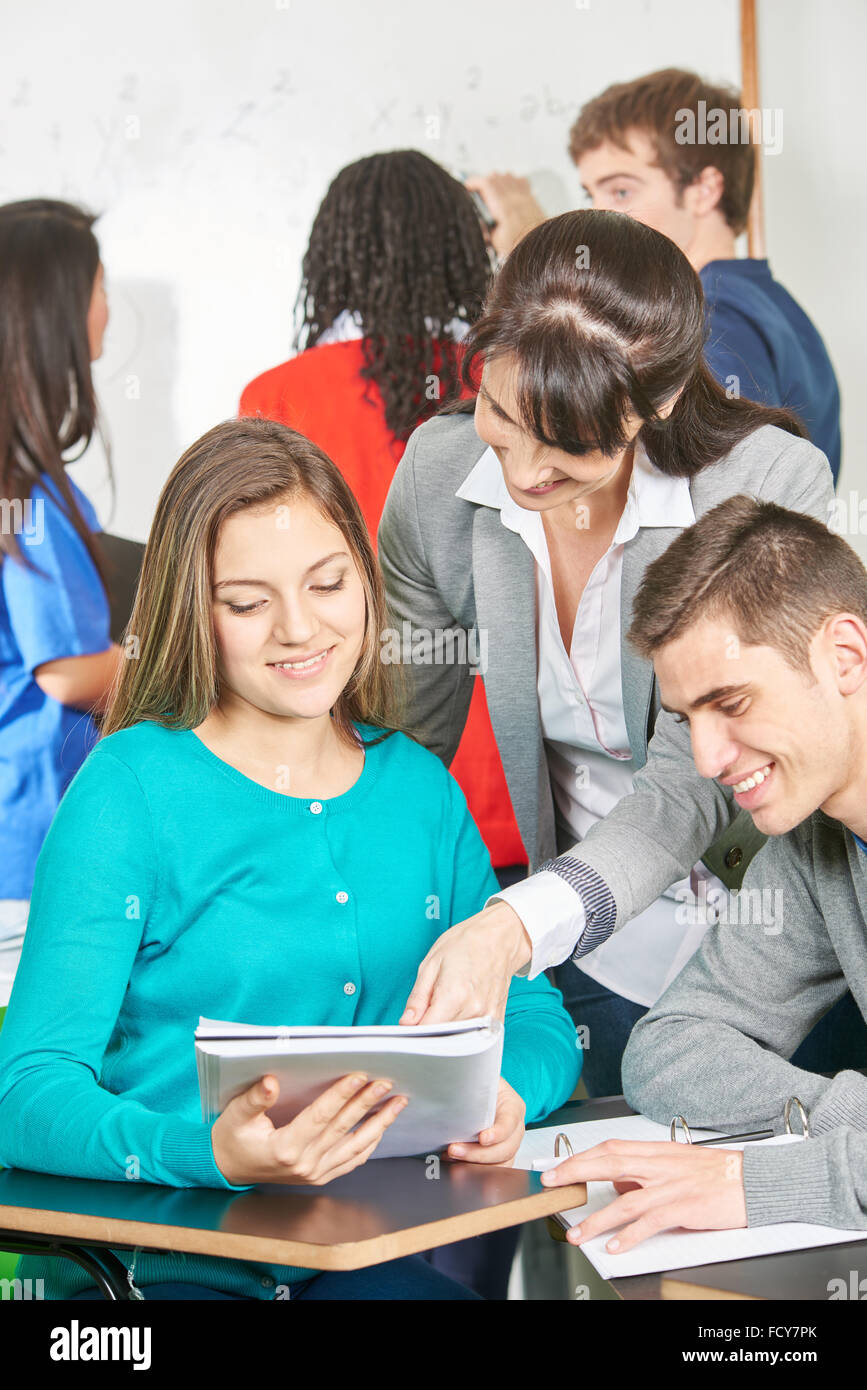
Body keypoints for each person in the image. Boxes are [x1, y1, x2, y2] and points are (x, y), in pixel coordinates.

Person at [0, 417, 580, 1301]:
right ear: (194, 612)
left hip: (353, 1257)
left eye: (327, 583)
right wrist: (209, 1152)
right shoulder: (127, 790)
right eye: (247, 603)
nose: (300, 629)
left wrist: (504, 1093)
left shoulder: (417, 789)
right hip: (153, 1271)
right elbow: (27, 1094)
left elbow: (535, 1018)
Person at [378, 207, 852, 1097]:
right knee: (608, 1162)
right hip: (590, 944)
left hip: (770, 938)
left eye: (566, 446)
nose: (524, 473)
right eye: (501, 415)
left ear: (656, 404)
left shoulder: (761, 483)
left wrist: (514, 926)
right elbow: (399, 748)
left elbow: (694, 779)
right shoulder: (437, 482)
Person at [540, 497, 867, 1247]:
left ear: (844, 656)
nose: (706, 760)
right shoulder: (813, 847)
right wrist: (843, 1120)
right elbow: (670, 1049)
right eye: (688, 719)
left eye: (733, 703)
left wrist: (758, 1183)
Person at [240, 150, 526, 894]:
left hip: (350, 762)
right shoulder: (514, 382)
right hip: (519, 767)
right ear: (466, 249)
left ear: (332, 256)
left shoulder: (277, 397)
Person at [468, 68, 841, 484]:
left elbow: (708, 482)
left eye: (621, 191)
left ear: (704, 190)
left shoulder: (712, 319)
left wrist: (536, 251)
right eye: (591, 194)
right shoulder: (767, 301)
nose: (600, 214)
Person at [0, 199, 123, 1003]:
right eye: (100, 287)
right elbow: (70, 672)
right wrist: (177, 656)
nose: (108, 307)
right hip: (30, 840)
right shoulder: (30, 494)